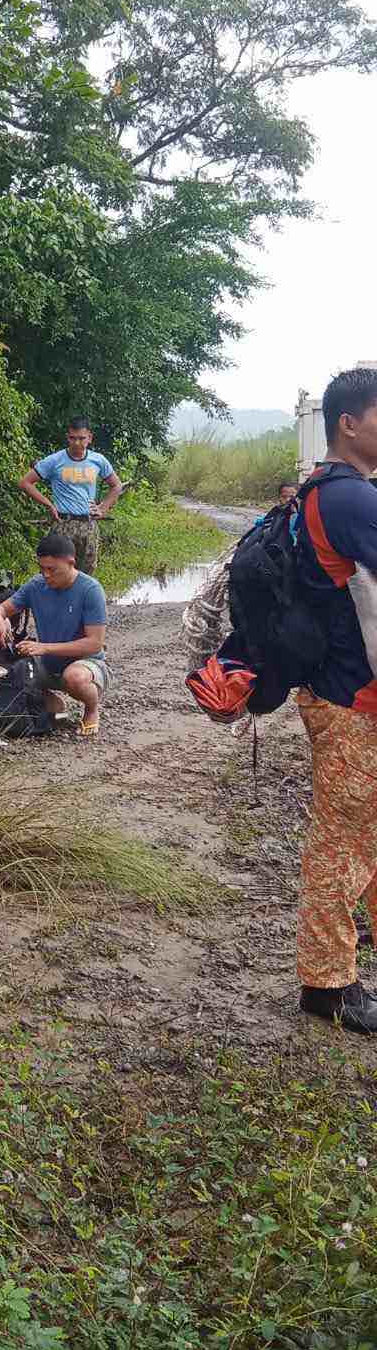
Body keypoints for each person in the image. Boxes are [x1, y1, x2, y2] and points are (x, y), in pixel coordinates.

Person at [290, 367, 377, 1035]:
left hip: (338, 691)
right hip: (354, 699)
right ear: (349, 423)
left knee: (362, 832)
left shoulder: (325, 490)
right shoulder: (350, 499)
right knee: (340, 839)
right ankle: (328, 984)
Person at [0, 531, 110, 737]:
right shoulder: (36, 585)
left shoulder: (91, 590)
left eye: (52, 569)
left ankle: (91, 709)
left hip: (86, 664)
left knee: (75, 678)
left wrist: (44, 648)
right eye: (42, 568)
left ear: (71, 562)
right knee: (4, 672)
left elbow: (94, 644)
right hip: (47, 664)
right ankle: (52, 703)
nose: (46, 575)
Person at [17, 420, 123, 574]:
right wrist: (49, 505)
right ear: (68, 438)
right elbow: (25, 482)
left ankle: (79, 599)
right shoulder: (55, 460)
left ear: (89, 438)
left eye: (81, 438)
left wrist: (103, 508)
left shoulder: (98, 460)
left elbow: (117, 485)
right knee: (55, 573)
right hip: (63, 524)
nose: (77, 443)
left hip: (88, 525)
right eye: (73, 438)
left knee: (85, 575)